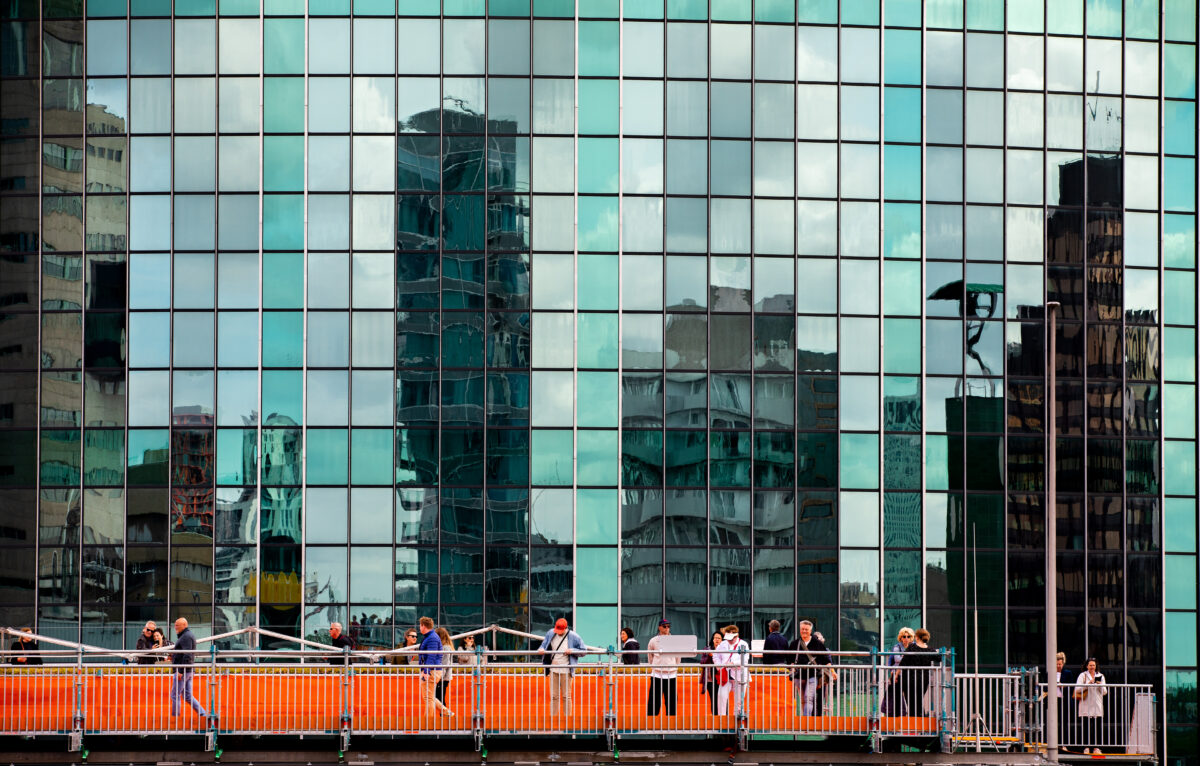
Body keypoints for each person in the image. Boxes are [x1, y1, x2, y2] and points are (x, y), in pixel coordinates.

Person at [538, 618, 586, 718]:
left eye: (561, 631)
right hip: (553, 669)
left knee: (566, 696)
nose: (559, 633)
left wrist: (572, 650)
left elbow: (583, 651)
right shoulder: (551, 633)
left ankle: (567, 718)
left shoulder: (573, 636)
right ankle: (553, 718)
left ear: (566, 628)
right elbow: (543, 645)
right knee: (554, 696)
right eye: (557, 631)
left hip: (566, 670)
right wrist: (541, 649)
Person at [789, 620, 833, 716]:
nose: (804, 631)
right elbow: (790, 660)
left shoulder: (818, 643)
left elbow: (826, 659)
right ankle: (805, 722)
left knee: (808, 698)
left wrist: (832, 671)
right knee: (803, 700)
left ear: (811, 630)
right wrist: (792, 668)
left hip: (813, 675)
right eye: (802, 629)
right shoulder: (794, 644)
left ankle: (806, 722)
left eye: (806, 629)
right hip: (799, 676)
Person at [170, 618, 210, 722]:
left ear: (184, 625)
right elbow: (186, 654)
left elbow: (187, 654)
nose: (175, 627)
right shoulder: (187, 636)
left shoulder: (185, 637)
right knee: (187, 696)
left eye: (177, 625)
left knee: (175, 695)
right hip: (188, 670)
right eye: (175, 625)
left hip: (183, 670)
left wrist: (180, 671)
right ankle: (202, 713)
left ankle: (175, 718)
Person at [711, 624, 751, 716]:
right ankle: (722, 720)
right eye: (728, 637)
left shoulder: (743, 644)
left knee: (739, 701)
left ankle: (736, 720)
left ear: (736, 635)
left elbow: (745, 659)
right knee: (722, 697)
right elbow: (715, 655)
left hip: (739, 674)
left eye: (731, 638)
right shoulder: (723, 644)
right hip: (725, 674)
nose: (729, 640)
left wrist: (733, 663)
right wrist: (719, 666)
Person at [417, 617, 453, 718]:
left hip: (431, 671)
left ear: (423, 626)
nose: (420, 627)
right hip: (432, 670)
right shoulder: (430, 636)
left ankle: (428, 723)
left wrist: (426, 671)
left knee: (428, 698)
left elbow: (431, 655)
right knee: (430, 697)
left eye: (420, 625)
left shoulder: (432, 637)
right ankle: (446, 711)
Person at [898, 628, 938, 717]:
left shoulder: (912, 647)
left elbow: (903, 662)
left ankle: (915, 722)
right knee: (918, 700)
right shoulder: (930, 650)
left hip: (909, 678)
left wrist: (897, 675)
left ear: (917, 637)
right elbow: (938, 658)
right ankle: (920, 720)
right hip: (923, 678)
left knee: (910, 700)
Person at [645, 619, 678, 716]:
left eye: (668, 626)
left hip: (671, 674)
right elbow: (650, 656)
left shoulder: (674, 641)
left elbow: (678, 657)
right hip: (657, 674)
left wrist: (673, 666)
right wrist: (655, 666)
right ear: (659, 627)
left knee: (671, 701)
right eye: (664, 626)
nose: (667, 628)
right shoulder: (653, 640)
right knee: (654, 701)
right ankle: (652, 724)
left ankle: (671, 725)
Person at [1074, 658, 1107, 754]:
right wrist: (1088, 684)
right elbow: (1077, 689)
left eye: (1093, 665)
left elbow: (1105, 692)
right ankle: (1086, 747)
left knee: (1097, 727)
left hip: (1097, 705)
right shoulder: (1083, 675)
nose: (1092, 667)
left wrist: (1100, 685)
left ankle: (1096, 748)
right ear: (1087, 666)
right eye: (1090, 665)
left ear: (1096, 666)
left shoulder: (1100, 676)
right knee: (1086, 727)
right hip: (1086, 705)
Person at [881, 627, 914, 715]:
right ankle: (896, 713)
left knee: (911, 696)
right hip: (897, 674)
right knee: (895, 694)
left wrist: (904, 657)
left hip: (910, 675)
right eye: (904, 636)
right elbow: (896, 659)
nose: (906, 639)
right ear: (901, 637)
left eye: (908, 636)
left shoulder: (914, 646)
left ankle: (911, 714)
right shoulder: (897, 647)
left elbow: (916, 658)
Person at [697, 631, 723, 716]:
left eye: (719, 638)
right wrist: (709, 656)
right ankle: (715, 719)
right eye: (715, 638)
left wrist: (715, 655)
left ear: (722, 640)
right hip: (710, 679)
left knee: (722, 699)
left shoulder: (724, 650)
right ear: (712, 639)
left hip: (722, 679)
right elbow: (702, 662)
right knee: (714, 699)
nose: (717, 640)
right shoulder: (707, 649)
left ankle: (723, 718)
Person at [434, 627, 455, 707]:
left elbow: (445, 663)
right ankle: (444, 715)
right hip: (442, 676)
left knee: (439, 698)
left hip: (442, 677)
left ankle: (445, 714)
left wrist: (439, 676)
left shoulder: (445, 647)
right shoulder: (445, 646)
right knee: (439, 698)